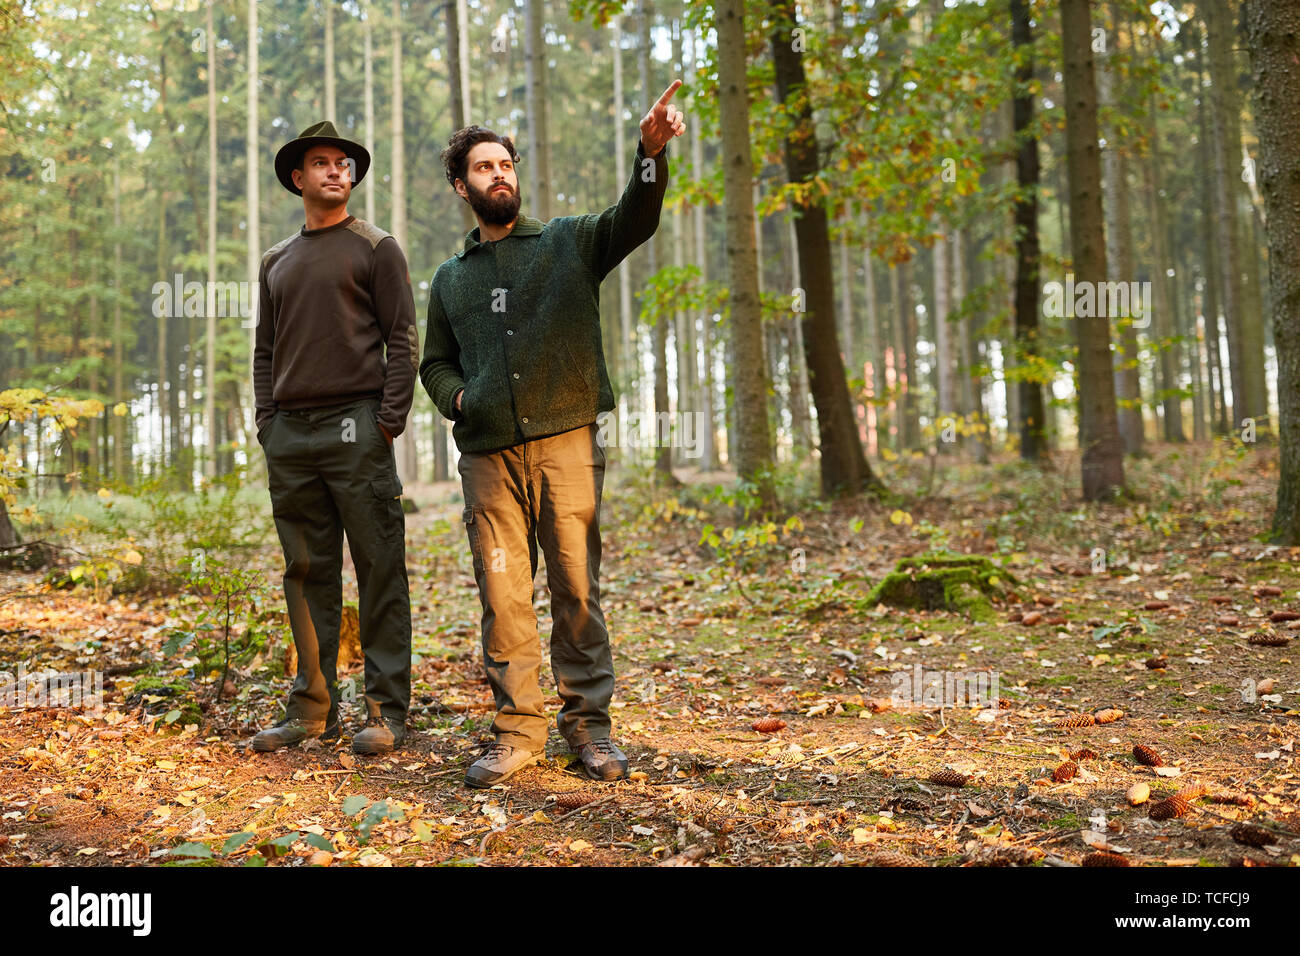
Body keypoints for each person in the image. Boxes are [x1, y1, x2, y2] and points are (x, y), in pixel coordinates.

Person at [420, 82, 686, 787]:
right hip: (487, 458)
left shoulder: (570, 241)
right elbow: (433, 363)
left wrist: (650, 155)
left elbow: (636, 217)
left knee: (575, 587)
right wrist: (460, 398)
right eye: (482, 167)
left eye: (504, 164)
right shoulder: (450, 279)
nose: (498, 174)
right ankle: (517, 735)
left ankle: (589, 730)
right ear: (460, 187)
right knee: (503, 594)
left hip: (567, 446)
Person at [251, 121, 417, 755]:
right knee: (306, 570)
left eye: (343, 163)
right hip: (290, 435)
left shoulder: (377, 248)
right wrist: (268, 422)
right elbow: (265, 351)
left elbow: (402, 339)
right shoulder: (276, 260)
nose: (335, 171)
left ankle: (385, 711)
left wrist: (386, 422)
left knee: (379, 567)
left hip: (358, 427)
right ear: (299, 177)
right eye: (321, 163)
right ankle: (311, 708)